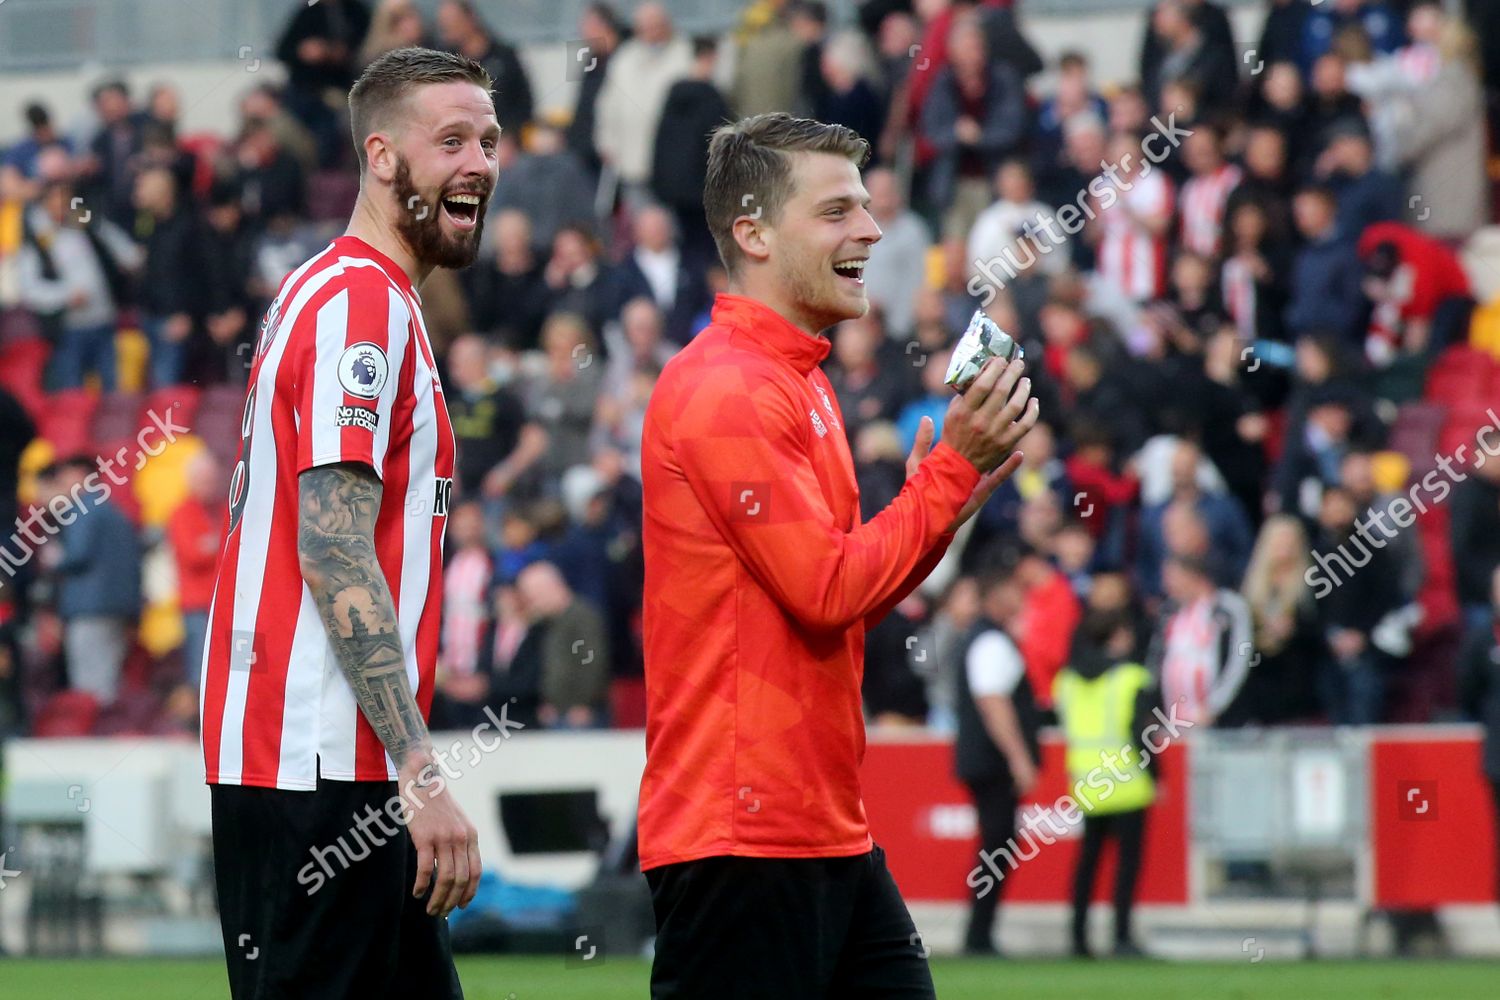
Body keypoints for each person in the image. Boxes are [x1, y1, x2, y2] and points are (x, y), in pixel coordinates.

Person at [637, 112, 1039, 997]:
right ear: (753, 235)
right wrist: (946, 476)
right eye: (836, 211)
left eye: (863, 206)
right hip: (743, 836)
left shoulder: (798, 380)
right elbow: (827, 589)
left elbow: (842, 592)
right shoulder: (728, 388)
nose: (871, 230)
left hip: (818, 826)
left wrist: (948, 498)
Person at [199, 47, 496, 999]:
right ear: (380, 156)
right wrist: (418, 769)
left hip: (323, 763)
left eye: (490, 142)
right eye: (451, 140)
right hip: (321, 767)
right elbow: (332, 548)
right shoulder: (361, 303)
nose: (480, 163)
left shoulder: (340, 289)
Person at [1054, 609, 1156, 958]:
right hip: (1127, 781)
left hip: (1088, 781)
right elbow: (1142, 733)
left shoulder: (1067, 680)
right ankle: (1122, 937)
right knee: (1126, 866)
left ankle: (1078, 938)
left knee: (1087, 863)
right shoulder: (1131, 677)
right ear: (1116, 637)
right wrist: (1156, 775)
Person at [955, 556, 1041, 955]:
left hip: (984, 759)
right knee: (997, 843)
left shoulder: (985, 637)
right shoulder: (991, 640)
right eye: (1014, 589)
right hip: (993, 762)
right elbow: (993, 703)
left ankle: (980, 932)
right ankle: (979, 934)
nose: (1021, 596)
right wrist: (1019, 758)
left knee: (996, 843)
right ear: (996, 595)